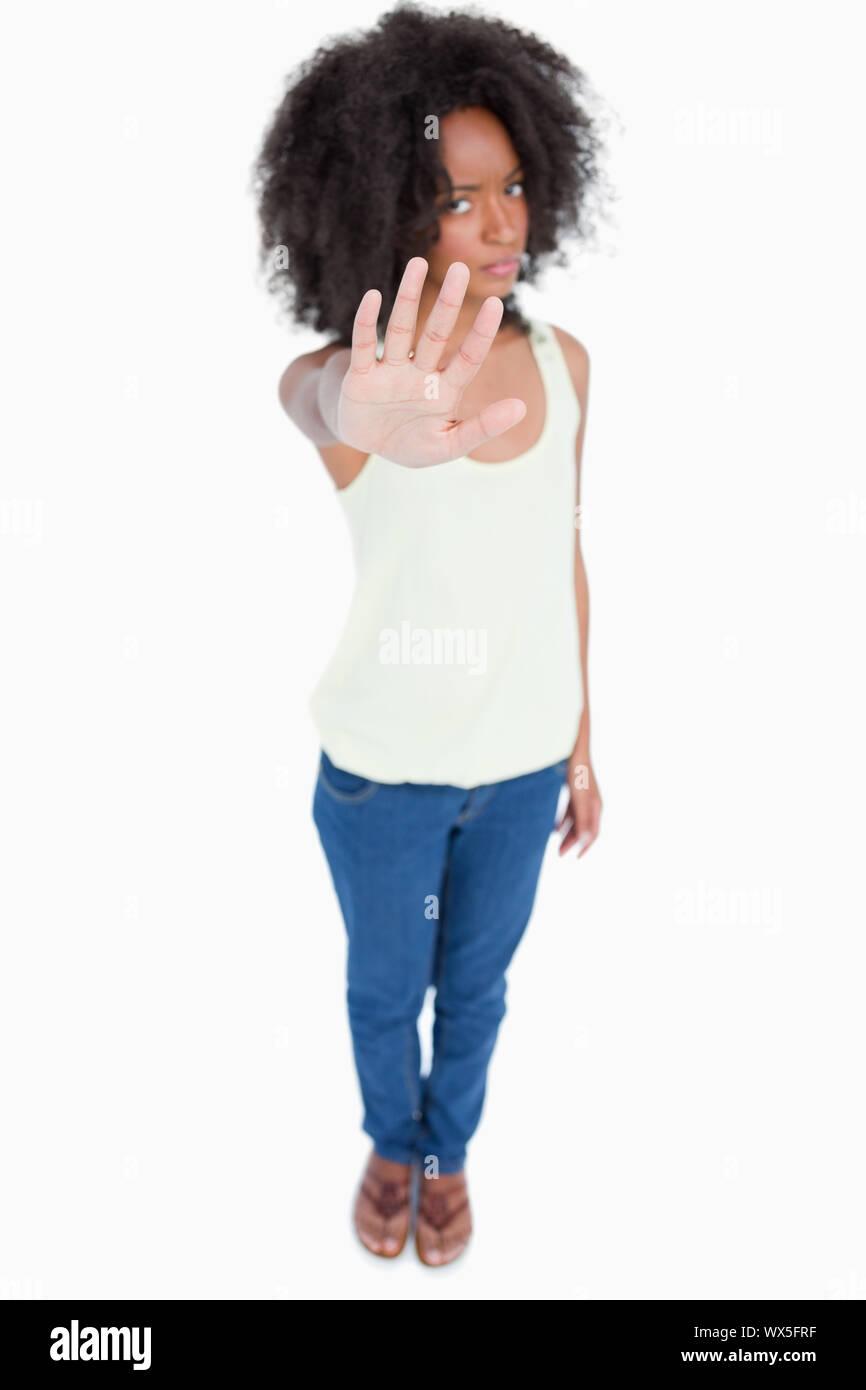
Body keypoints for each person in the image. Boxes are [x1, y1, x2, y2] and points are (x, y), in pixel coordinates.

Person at [254, 1, 606, 1266]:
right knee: (380, 991)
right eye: (461, 199)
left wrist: (578, 737)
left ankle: (443, 1151)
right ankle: (387, 1144)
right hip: (383, 778)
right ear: (388, 209)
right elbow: (309, 394)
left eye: (512, 186)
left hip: (518, 770)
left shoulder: (564, 360)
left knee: (478, 994)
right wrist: (354, 394)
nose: (503, 221)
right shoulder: (362, 380)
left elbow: (558, 546)